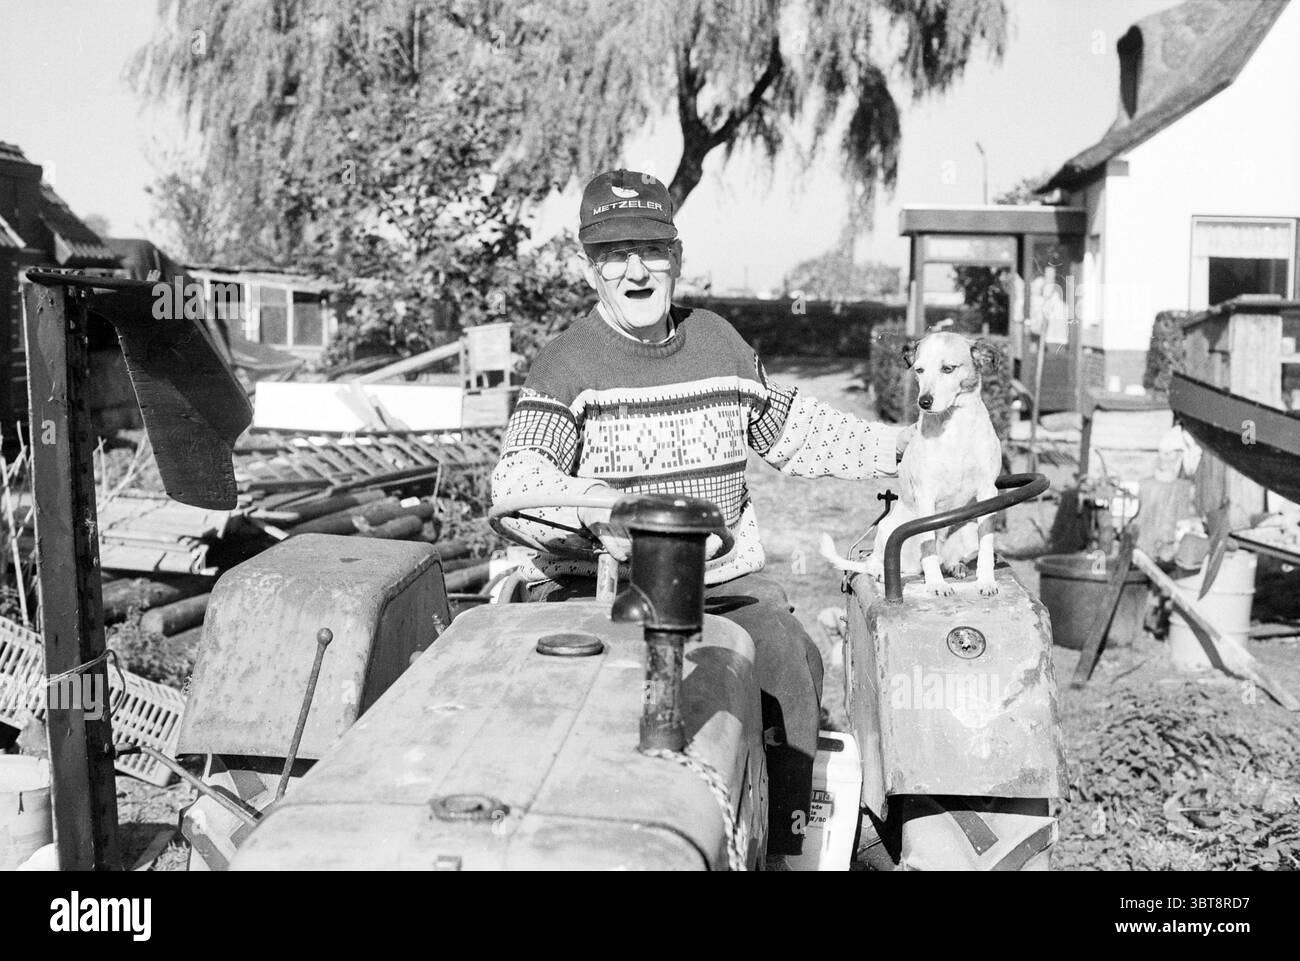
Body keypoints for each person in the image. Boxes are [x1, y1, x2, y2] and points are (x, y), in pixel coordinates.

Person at [490, 168, 908, 859]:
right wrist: (596, 509)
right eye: (614, 254)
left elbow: (794, 430)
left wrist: (904, 447)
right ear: (590, 268)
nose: (635, 269)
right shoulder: (566, 364)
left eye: (651, 250)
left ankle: (779, 844)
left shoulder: (718, 341)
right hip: (605, 592)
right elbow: (519, 476)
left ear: (676, 258)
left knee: (783, 652)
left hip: (720, 586)